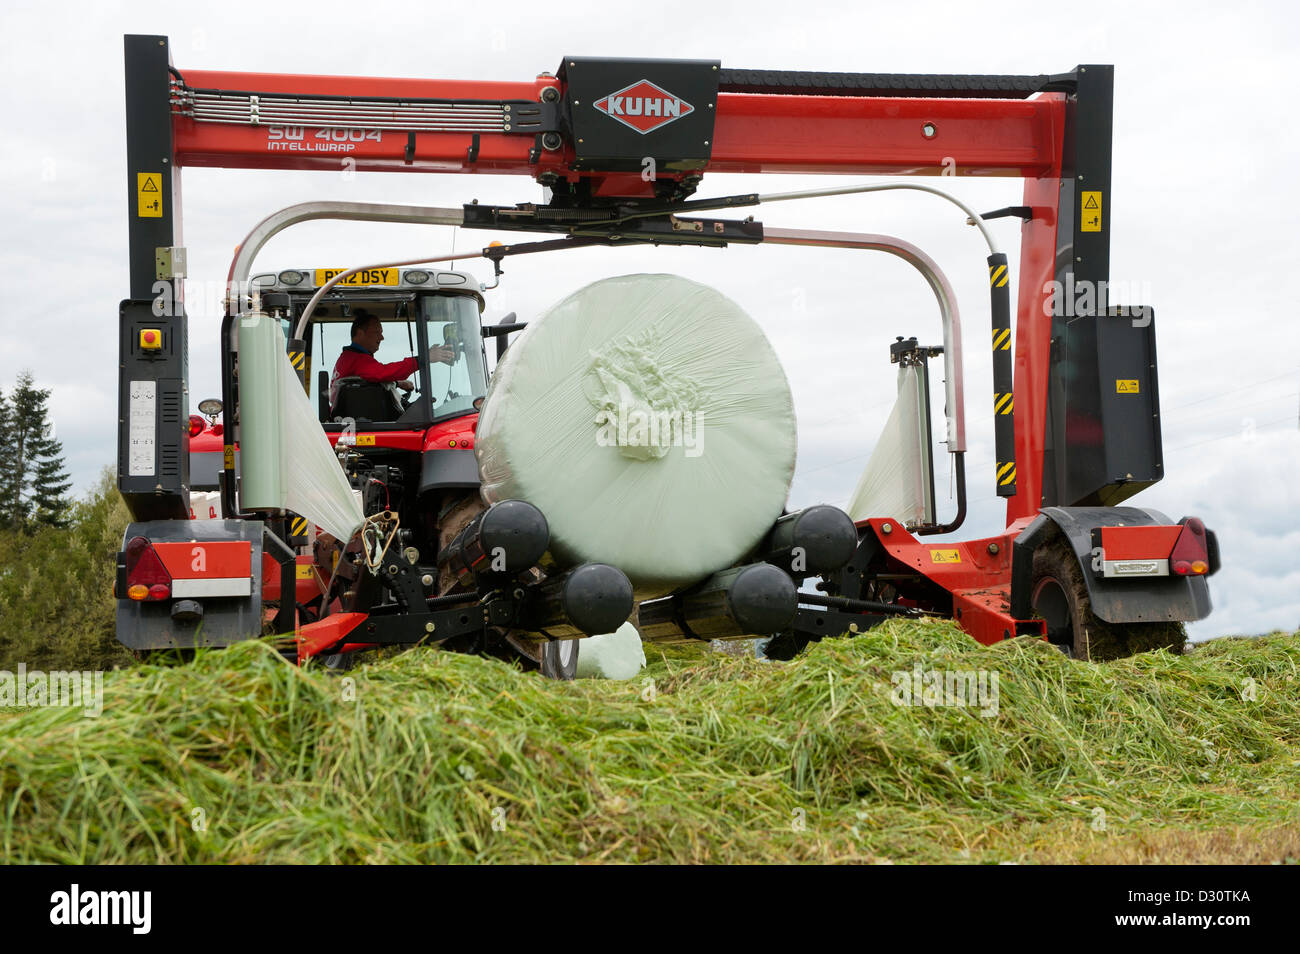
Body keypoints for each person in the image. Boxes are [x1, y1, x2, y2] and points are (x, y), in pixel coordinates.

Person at [329, 309, 453, 411]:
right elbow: (384, 372)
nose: (382, 337)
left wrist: (397, 383)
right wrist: (424, 359)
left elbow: (372, 379)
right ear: (360, 333)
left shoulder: (348, 358)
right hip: (358, 420)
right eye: (377, 332)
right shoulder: (356, 359)